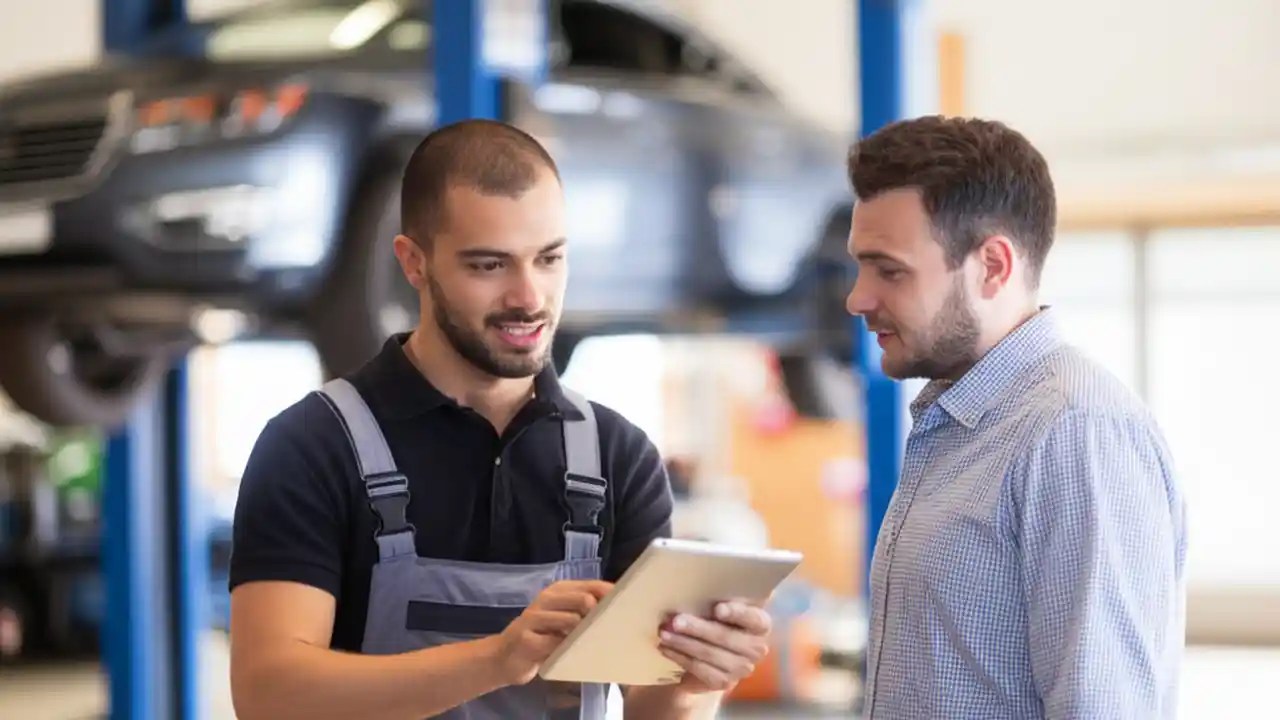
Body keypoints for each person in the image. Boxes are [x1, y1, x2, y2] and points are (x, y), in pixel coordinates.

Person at [227, 119, 772, 720]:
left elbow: (654, 710)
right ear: (414, 263)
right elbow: (268, 695)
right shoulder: (313, 447)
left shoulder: (618, 459)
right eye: (489, 266)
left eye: (549, 258)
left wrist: (697, 680)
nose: (529, 296)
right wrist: (495, 659)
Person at [843, 116, 1187, 719]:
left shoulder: (1074, 432)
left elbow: (1100, 707)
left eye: (889, 270)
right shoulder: (959, 423)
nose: (857, 298)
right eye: (860, 266)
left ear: (992, 266)